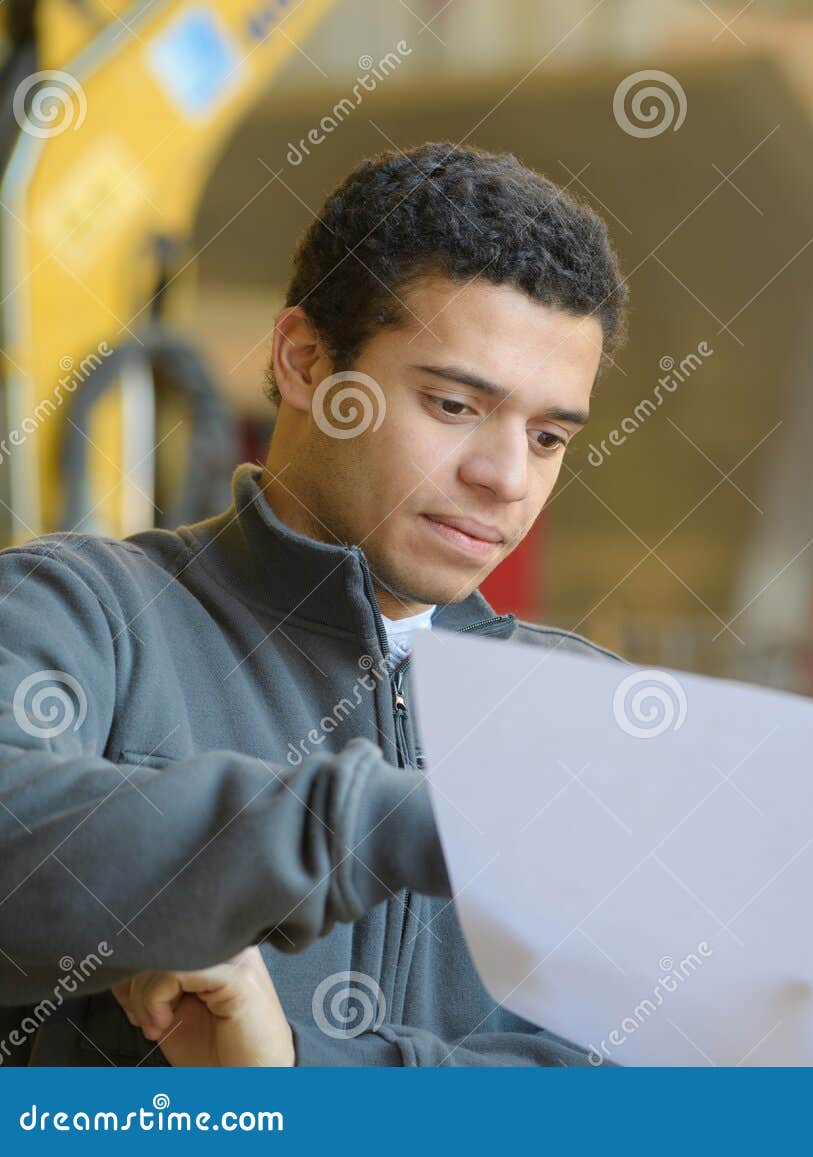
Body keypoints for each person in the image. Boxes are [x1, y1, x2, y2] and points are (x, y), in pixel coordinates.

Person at [0, 141, 625, 1065]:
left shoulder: (593, 713)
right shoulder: (84, 614)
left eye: (546, 436)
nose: (504, 478)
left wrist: (295, 1077)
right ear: (303, 362)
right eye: (454, 405)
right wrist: (398, 821)